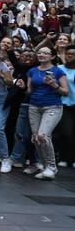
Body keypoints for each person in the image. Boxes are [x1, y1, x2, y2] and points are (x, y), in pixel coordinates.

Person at [25, 45, 67, 181]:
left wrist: (54, 85)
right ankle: (45, 166)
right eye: (40, 52)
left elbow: (65, 91)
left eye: (45, 53)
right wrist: (22, 86)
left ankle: (51, 167)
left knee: (43, 136)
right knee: (36, 138)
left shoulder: (58, 71)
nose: (41, 55)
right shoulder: (32, 71)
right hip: (34, 106)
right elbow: (29, 91)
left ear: (52, 56)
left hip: (52, 106)